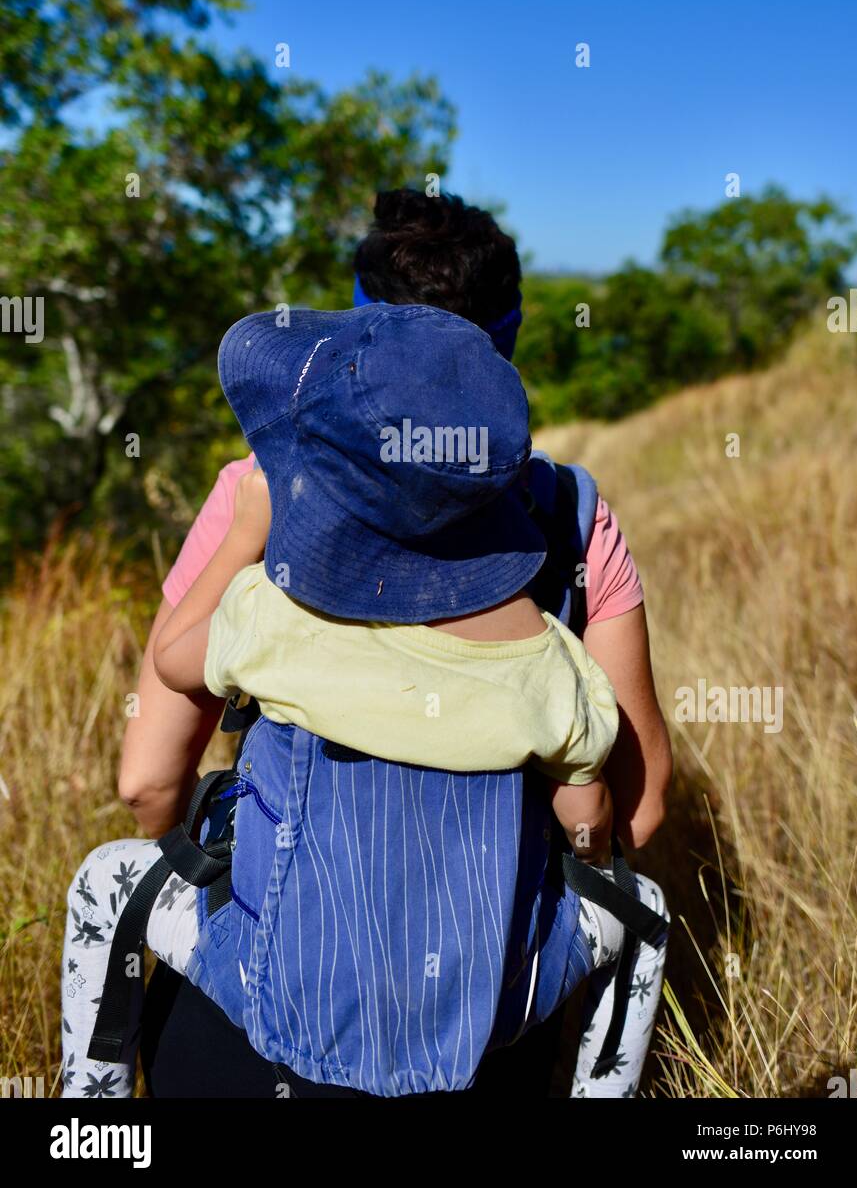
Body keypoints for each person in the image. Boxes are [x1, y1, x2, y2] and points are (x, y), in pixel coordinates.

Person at [61, 303, 667, 1099]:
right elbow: (588, 823)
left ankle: (89, 1119)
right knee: (643, 908)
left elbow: (174, 662)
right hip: (483, 1018)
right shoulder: (550, 663)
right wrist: (579, 848)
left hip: (278, 997)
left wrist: (245, 535)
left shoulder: (272, 620)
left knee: (104, 882)